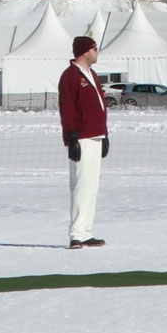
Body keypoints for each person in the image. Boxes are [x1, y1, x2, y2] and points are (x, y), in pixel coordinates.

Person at [58, 34, 110, 249]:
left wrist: (105, 135)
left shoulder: (92, 74)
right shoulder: (70, 76)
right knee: (81, 186)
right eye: (95, 48)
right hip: (82, 137)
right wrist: (72, 137)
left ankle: (86, 230)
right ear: (85, 51)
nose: (97, 52)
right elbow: (67, 108)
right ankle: (76, 234)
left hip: (96, 135)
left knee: (92, 187)